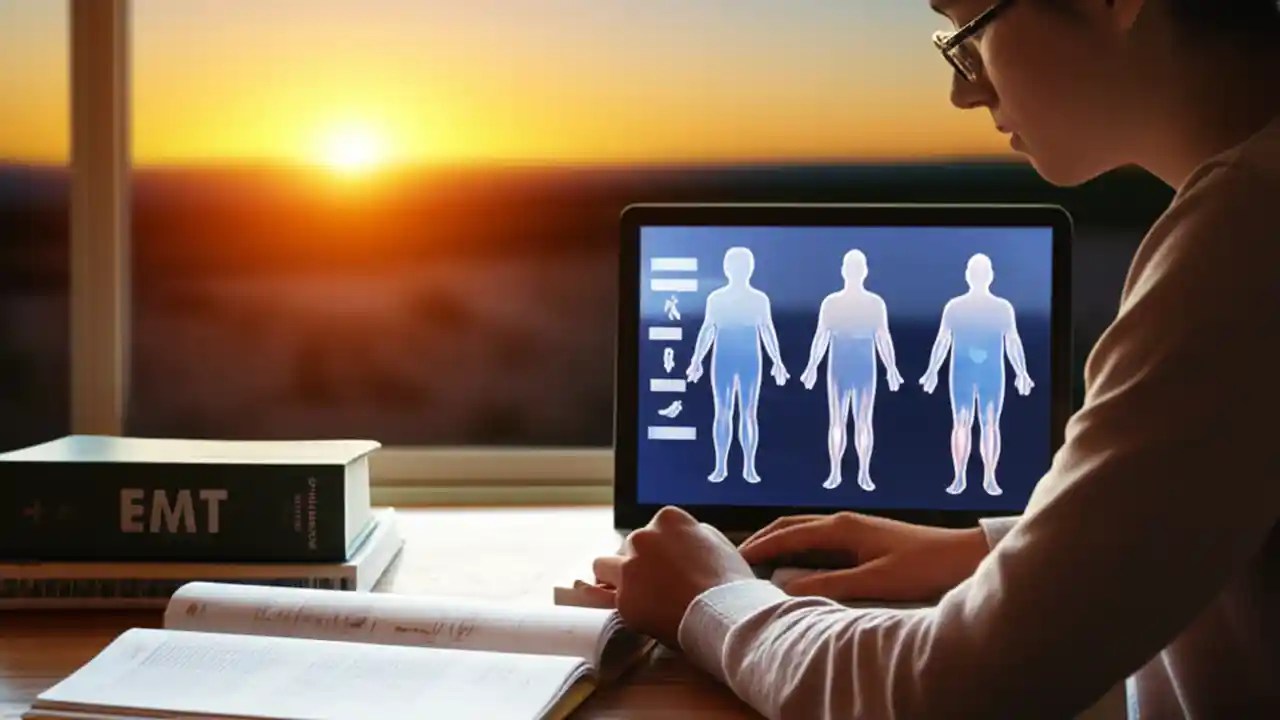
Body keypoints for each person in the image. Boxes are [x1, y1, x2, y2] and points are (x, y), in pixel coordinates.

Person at [591, 1, 1280, 717]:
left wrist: (713, 601)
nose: (965, 90)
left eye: (970, 27)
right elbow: (1199, 502)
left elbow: (950, 689)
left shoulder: (1246, 238)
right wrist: (989, 551)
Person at [918, 253, 1034, 497]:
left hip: (986, 373)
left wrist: (1022, 372)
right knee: (968, 423)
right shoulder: (957, 307)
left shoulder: (1001, 308)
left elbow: (1013, 342)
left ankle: (988, 477)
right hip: (966, 372)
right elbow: (943, 341)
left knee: (986, 423)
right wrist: (931, 371)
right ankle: (962, 476)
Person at [799, 249, 904, 492]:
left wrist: (892, 369)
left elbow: (883, 338)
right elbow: (821, 338)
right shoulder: (832, 303)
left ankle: (863, 472)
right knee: (839, 421)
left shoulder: (874, 303)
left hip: (863, 364)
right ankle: (836, 471)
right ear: (847, 271)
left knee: (861, 422)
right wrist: (812, 367)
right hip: (841, 364)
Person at [686, 246, 789, 484]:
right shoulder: (716, 299)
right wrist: (696, 360)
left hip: (750, 359)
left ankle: (749, 467)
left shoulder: (759, 299)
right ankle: (721, 466)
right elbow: (707, 330)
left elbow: (767, 330)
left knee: (748, 414)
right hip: (724, 358)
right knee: (722, 412)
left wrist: (777, 361)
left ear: (749, 269)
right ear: (728, 269)